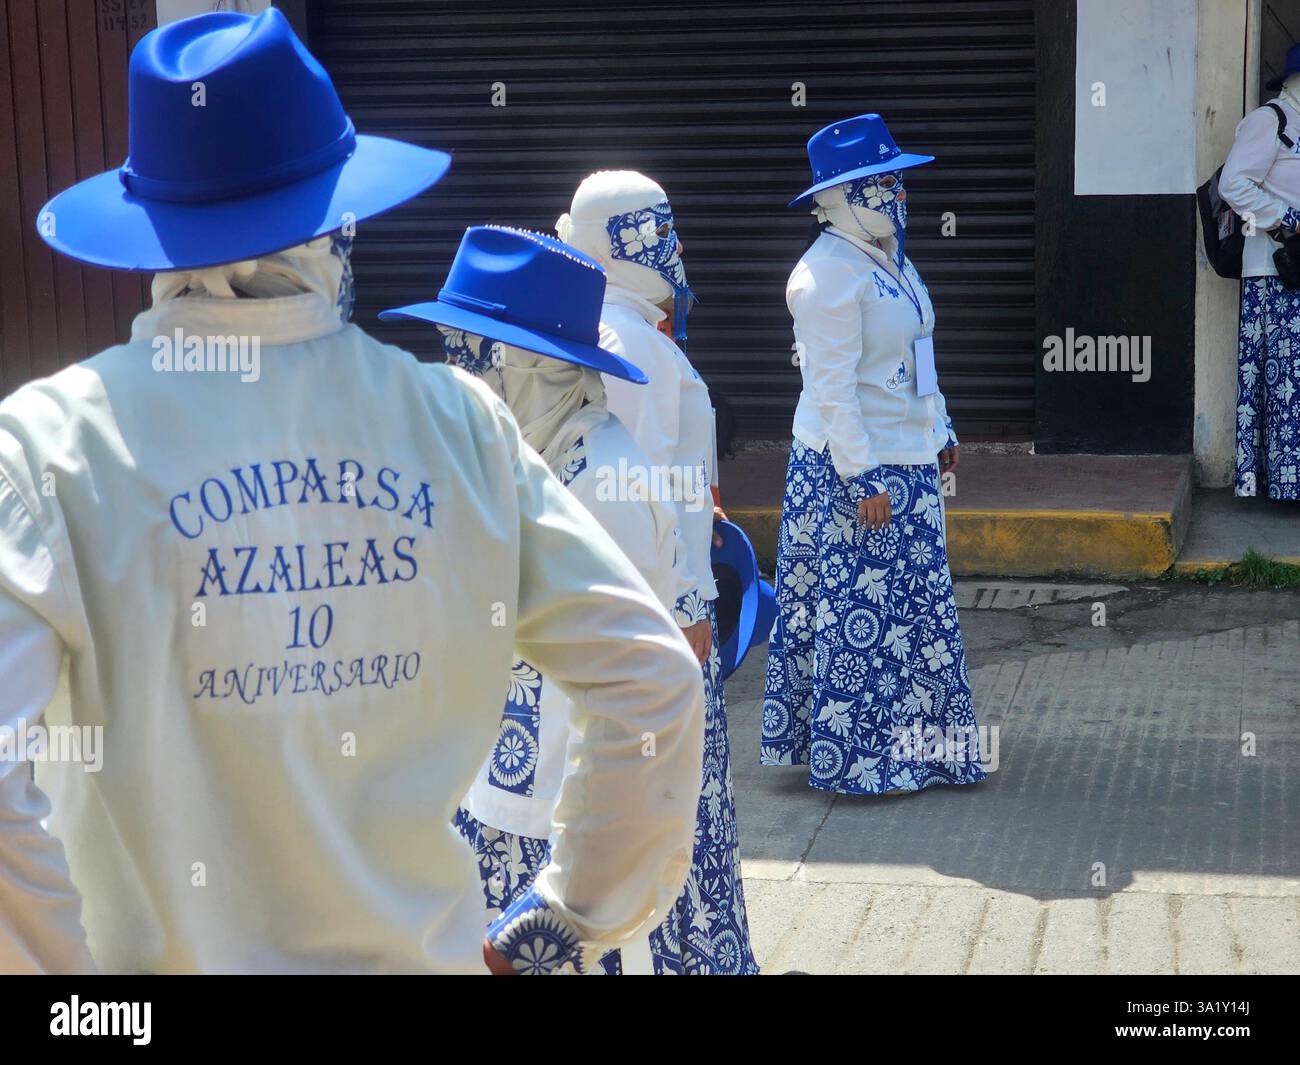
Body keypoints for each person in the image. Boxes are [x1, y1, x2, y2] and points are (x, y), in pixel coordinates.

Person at [0, 9, 703, 975]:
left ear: (154, 235)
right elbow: (652, 680)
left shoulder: (49, 448)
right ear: (336, 220)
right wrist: (566, 919)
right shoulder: (457, 424)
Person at [382, 225, 697, 975]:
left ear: (536, 367)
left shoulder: (600, 484)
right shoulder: (530, 459)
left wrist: (552, 916)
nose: (454, 377)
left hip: (555, 841)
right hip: (498, 807)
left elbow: (637, 698)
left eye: (472, 355)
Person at [557, 171, 758, 974]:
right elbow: (638, 500)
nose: (675, 248)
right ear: (619, 244)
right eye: (657, 231)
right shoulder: (630, 341)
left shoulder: (618, 326)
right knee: (675, 799)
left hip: (646, 614)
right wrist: (685, 602)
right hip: (663, 619)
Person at [761, 113, 986, 797]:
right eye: (882, 182)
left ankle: (928, 754)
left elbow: (919, 354)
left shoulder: (891, 259)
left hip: (908, 462)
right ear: (840, 197)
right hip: (855, 473)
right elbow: (832, 391)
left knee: (916, 615)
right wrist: (863, 478)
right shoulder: (824, 277)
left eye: (896, 180)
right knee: (864, 623)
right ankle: (863, 763)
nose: (899, 193)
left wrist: (939, 428)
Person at [1220, 42, 1300, 502]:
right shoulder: (1270, 121)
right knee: (1283, 383)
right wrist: (1288, 218)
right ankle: (1282, 483)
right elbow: (1233, 184)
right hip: (1275, 273)